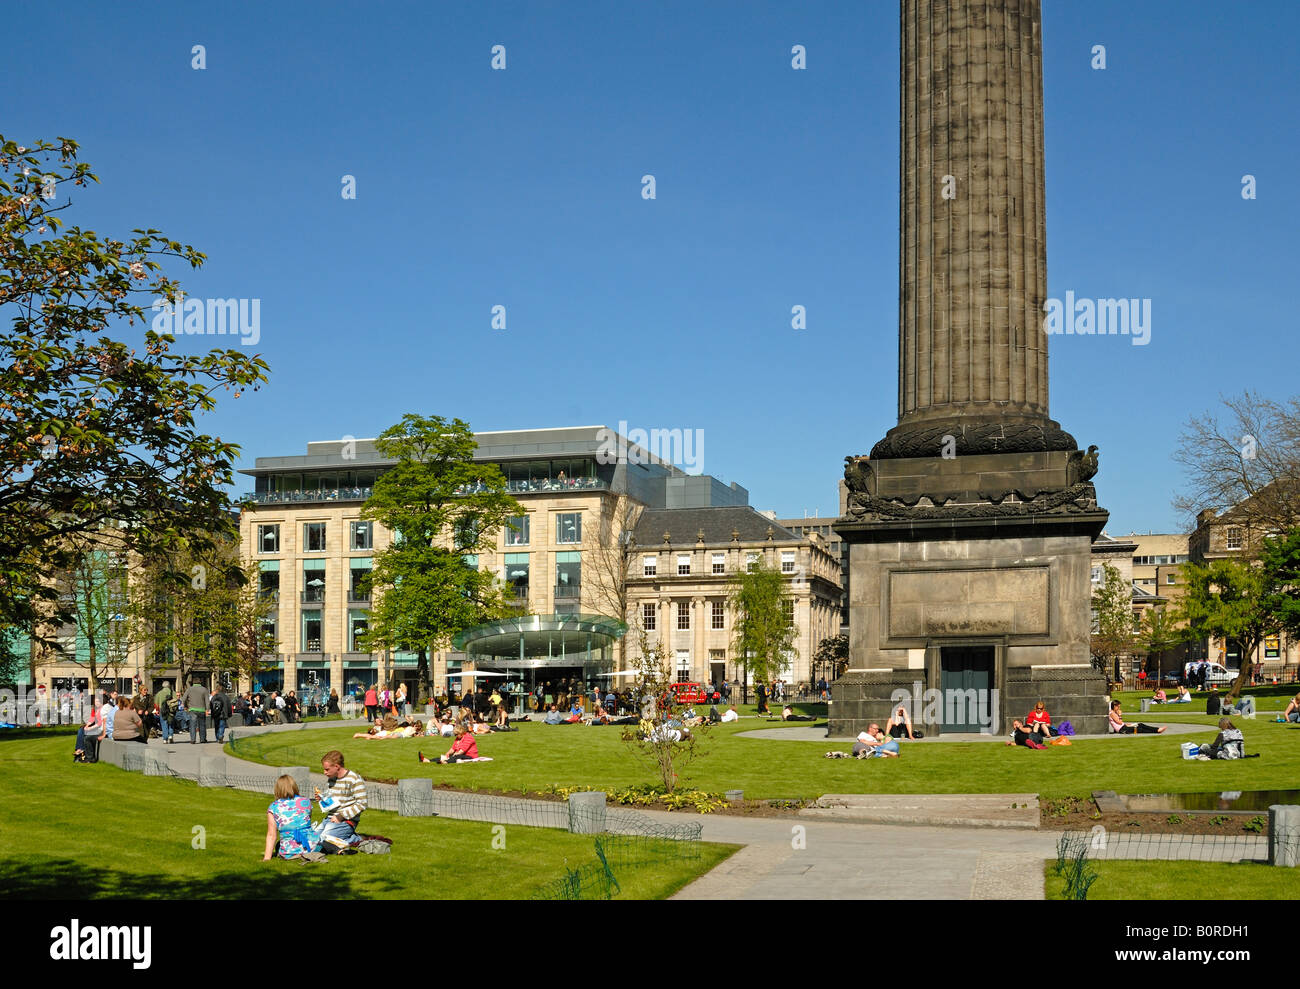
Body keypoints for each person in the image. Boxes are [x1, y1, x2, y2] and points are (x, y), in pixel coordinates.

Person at [263, 774, 324, 861]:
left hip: (289, 851)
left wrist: (266, 858)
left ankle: (295, 852)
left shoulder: (274, 807)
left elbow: (271, 835)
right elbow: (306, 821)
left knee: (278, 845)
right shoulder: (306, 801)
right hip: (312, 846)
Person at [317, 750, 366, 848]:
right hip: (330, 818)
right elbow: (334, 802)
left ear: (336, 766)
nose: (324, 772)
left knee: (323, 840)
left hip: (346, 821)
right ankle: (346, 837)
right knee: (313, 839)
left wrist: (341, 816)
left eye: (327, 769)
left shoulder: (354, 779)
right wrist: (322, 799)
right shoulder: (332, 779)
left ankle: (357, 839)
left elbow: (362, 804)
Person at [183, 678, 211, 744]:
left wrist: (185, 707)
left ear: (193, 682)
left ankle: (193, 739)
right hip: (201, 709)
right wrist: (207, 709)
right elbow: (207, 701)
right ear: (200, 682)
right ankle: (203, 739)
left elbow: (183, 699)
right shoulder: (204, 689)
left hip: (192, 709)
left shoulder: (189, 689)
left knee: (192, 725)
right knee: (202, 725)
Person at [154, 680, 175, 745]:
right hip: (171, 709)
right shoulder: (173, 692)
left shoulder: (159, 693)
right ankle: (170, 735)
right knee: (171, 722)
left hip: (162, 710)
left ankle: (165, 739)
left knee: (164, 724)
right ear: (169, 685)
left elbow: (156, 704)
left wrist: (157, 710)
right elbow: (176, 701)